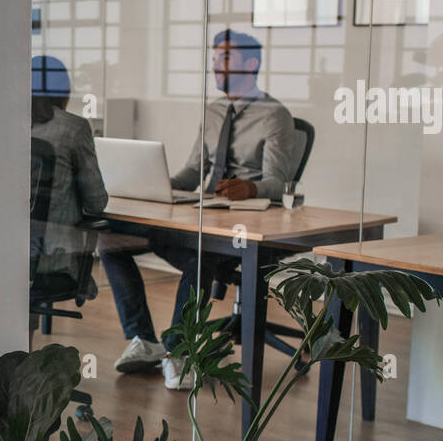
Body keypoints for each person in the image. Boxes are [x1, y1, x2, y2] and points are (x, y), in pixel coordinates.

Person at [100, 29, 299, 383]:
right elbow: (194, 171)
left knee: (200, 254)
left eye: (225, 58)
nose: (215, 66)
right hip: (200, 214)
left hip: (240, 225)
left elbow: (277, 182)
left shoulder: (274, 115)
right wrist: (157, 184)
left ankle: (180, 350)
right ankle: (143, 339)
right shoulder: (214, 111)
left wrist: (250, 187)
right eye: (214, 58)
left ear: (251, 63)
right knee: (111, 241)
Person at [30, 56, 108, 300]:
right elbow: (96, 202)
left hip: (5, 256)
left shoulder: (3, 127)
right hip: (53, 263)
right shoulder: (74, 128)